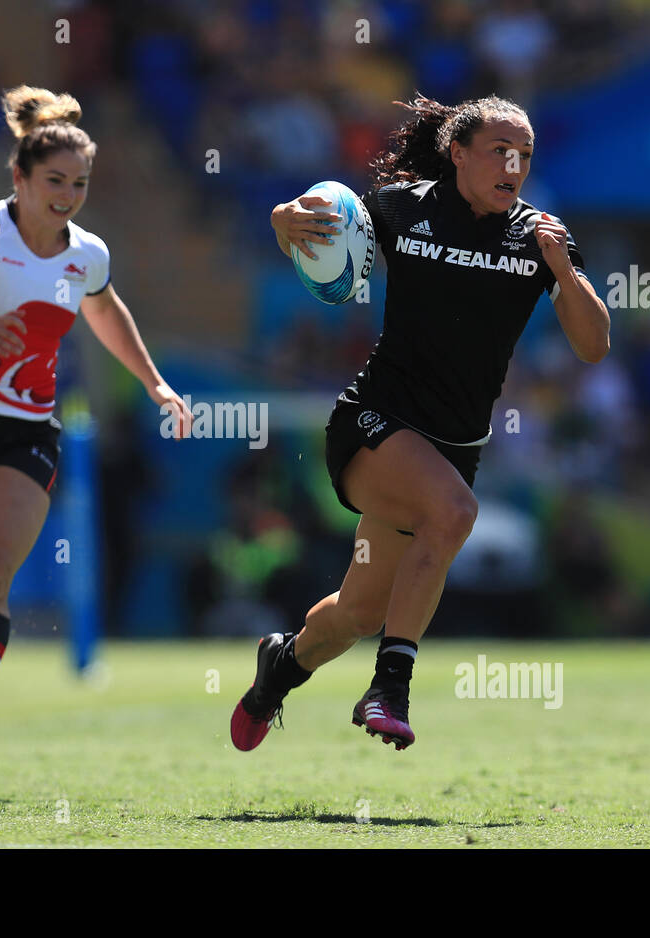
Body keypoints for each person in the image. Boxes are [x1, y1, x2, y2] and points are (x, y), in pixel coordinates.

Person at [231, 95, 609, 752]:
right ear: (457, 153)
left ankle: (278, 670)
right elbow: (316, 227)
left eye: (524, 154)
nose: (513, 165)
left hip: (453, 448)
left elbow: (595, 344)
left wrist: (562, 272)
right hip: (373, 423)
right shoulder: (403, 207)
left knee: (356, 612)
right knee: (455, 513)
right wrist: (282, 217)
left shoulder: (538, 234)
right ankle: (390, 688)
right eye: (499, 150)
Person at [0, 85, 192, 774]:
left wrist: (154, 382)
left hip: (24, 432)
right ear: (19, 178)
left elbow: (106, 313)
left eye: (79, 183)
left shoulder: (87, 255)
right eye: (54, 180)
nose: (69, 194)